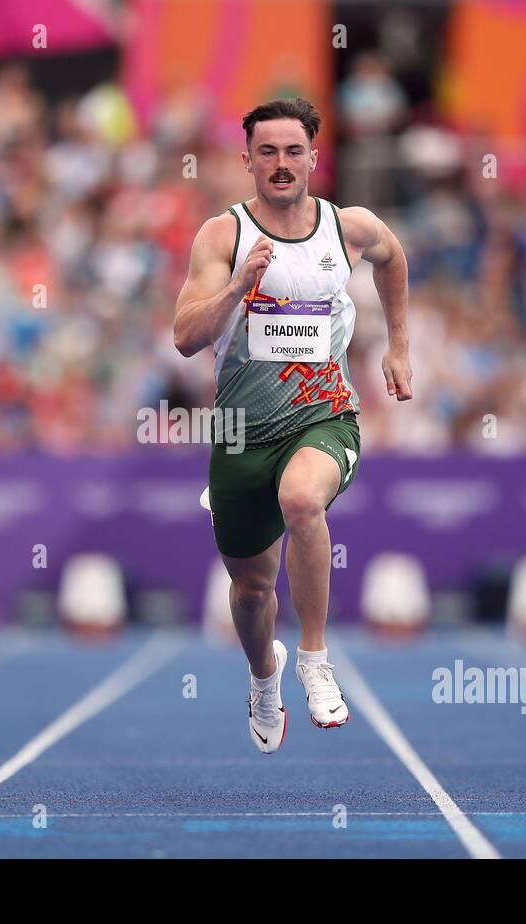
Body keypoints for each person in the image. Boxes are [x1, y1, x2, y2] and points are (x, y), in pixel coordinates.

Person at [173, 98, 412, 754]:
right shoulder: (222, 236)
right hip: (242, 434)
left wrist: (398, 345)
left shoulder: (348, 227)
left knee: (303, 500)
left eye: (294, 151)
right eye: (268, 152)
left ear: (314, 156)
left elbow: (393, 258)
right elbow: (184, 337)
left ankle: (314, 656)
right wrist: (235, 293)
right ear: (247, 159)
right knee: (251, 594)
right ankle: (263, 675)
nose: (282, 164)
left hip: (324, 414)